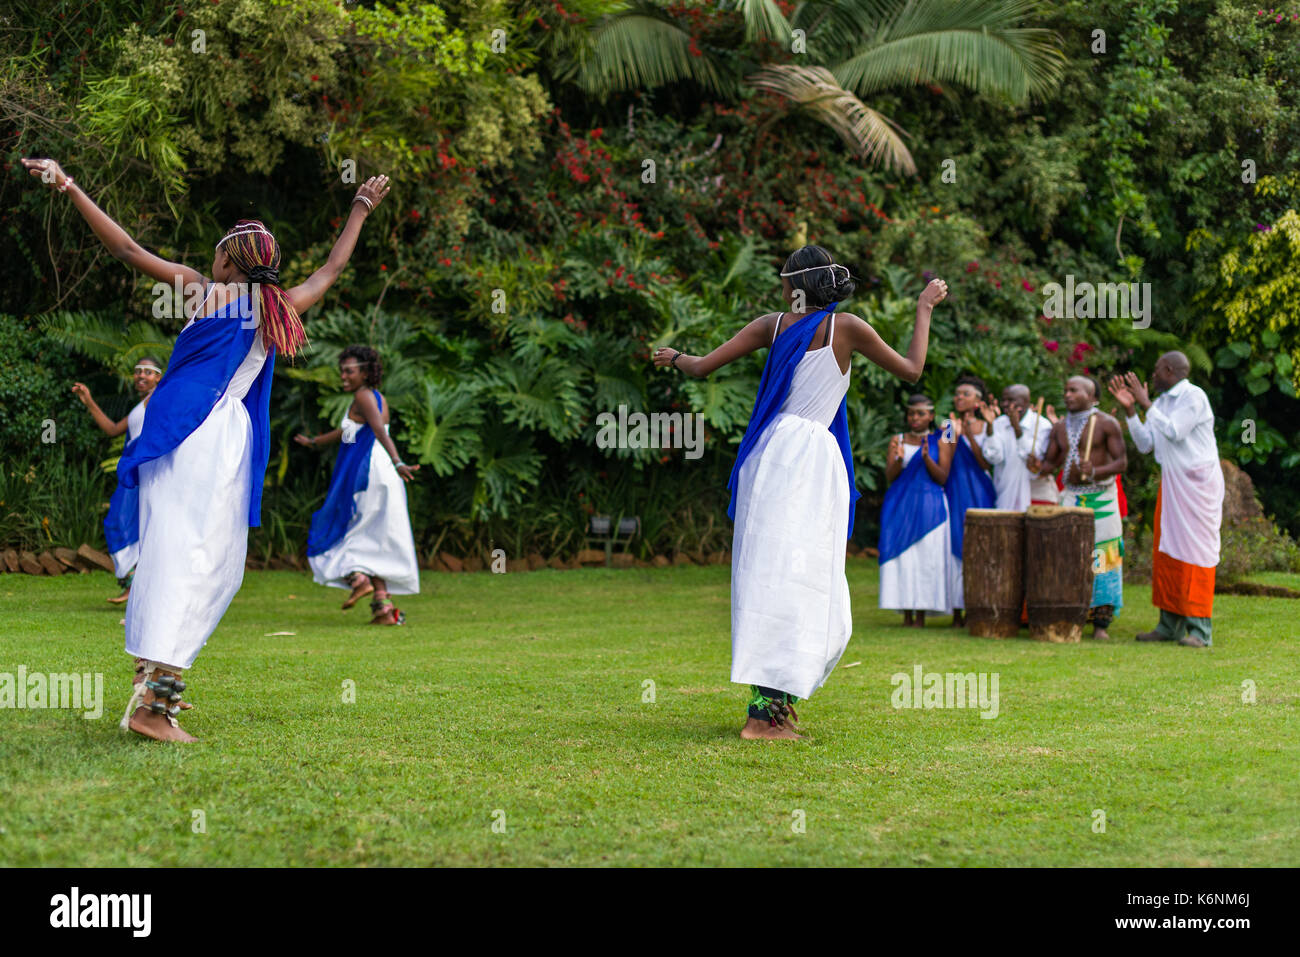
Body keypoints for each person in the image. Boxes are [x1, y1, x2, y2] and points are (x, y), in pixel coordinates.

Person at [22, 155, 390, 742]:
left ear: (227, 259)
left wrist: (69, 185)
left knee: (177, 552)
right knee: (203, 563)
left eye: (218, 250)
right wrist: (360, 209)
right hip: (215, 442)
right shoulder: (278, 306)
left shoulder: (200, 291)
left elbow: (127, 250)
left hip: (179, 431)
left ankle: (154, 681)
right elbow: (333, 266)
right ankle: (154, 704)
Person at [653, 245, 947, 739]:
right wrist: (924, 308)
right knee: (799, 581)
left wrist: (675, 357)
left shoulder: (774, 325)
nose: (779, 289)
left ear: (797, 285)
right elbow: (912, 370)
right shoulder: (845, 327)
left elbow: (702, 368)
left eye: (783, 280)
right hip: (810, 460)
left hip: (769, 456)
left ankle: (771, 707)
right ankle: (763, 718)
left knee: (773, 578)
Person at [298, 345, 420, 625]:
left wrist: (398, 461)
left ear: (365, 372)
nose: (343, 376)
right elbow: (347, 432)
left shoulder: (363, 396)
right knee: (373, 537)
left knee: (349, 530)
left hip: (370, 472)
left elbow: (377, 429)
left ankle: (358, 578)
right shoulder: (373, 396)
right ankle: (384, 609)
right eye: (342, 370)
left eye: (349, 371)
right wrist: (315, 442)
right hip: (381, 471)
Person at [1108, 354, 1223, 647]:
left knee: (1195, 552)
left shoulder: (1193, 397)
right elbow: (1147, 445)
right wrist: (1132, 410)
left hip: (1197, 487)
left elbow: (1174, 431)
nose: (1153, 375)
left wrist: (1145, 404)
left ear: (1170, 371)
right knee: (1168, 549)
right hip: (1173, 485)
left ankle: (1199, 630)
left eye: (1157, 370)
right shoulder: (1160, 404)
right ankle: (1168, 625)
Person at [1030, 375, 1127, 640]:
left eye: (1074, 390)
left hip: (1102, 499)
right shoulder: (1060, 427)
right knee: (1072, 556)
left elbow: (1121, 462)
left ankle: (1101, 624)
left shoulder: (1107, 424)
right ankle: (1075, 614)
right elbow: (1050, 465)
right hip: (1071, 497)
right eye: (1066, 390)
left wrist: (1096, 470)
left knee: (1103, 558)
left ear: (1092, 396)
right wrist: (1037, 466)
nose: (1068, 394)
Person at [72, 357, 164, 602]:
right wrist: (89, 401)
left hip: (143, 471)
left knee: (122, 523)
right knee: (122, 523)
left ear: (159, 377)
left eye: (148, 372)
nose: (141, 375)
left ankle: (136, 586)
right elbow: (113, 430)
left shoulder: (160, 398)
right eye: (137, 371)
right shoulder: (140, 405)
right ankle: (134, 586)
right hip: (133, 472)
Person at [879, 394, 954, 627]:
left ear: (931, 415)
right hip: (901, 504)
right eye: (911, 413)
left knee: (926, 559)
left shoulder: (942, 438)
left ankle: (922, 614)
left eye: (921, 413)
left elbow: (943, 477)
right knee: (905, 560)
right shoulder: (897, 440)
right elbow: (890, 477)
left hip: (930, 506)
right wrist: (899, 460)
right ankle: (906, 614)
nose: (915, 418)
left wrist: (926, 459)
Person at [944, 374, 997, 627]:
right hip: (955, 489)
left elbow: (986, 462)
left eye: (965, 394)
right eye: (957, 394)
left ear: (978, 400)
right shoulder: (947, 425)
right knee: (955, 543)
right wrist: (954, 432)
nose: (959, 398)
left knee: (980, 546)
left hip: (981, 489)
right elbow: (946, 458)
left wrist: (970, 435)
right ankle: (956, 610)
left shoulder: (987, 426)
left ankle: (978, 606)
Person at [980, 384, 1056, 511]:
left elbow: (1033, 456)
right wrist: (989, 427)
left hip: (1033, 494)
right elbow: (994, 458)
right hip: (1003, 494)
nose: (1005, 404)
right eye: (1003, 400)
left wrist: (1017, 428)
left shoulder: (1041, 425)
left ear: (1025, 402)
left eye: (1011, 400)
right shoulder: (998, 423)